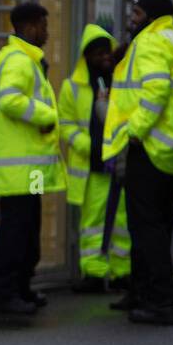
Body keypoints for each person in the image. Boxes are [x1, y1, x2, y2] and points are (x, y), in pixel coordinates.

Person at [102, 0, 173, 325]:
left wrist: (135, 130)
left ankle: (162, 301)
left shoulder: (150, 43)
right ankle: (142, 290)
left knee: (146, 224)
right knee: (159, 221)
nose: (132, 19)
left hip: (150, 146)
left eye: (137, 13)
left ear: (151, 15)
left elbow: (156, 91)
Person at [0, 2, 66, 315]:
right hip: (20, 167)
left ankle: (21, 287)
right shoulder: (19, 61)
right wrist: (46, 115)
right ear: (29, 27)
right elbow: (9, 99)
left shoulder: (28, 61)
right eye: (43, 25)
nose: (47, 32)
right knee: (16, 230)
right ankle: (4, 293)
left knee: (28, 230)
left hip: (32, 167)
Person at [58, 25, 130, 293]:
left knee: (123, 221)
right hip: (93, 166)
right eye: (97, 53)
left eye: (106, 52)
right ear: (85, 56)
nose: (103, 57)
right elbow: (65, 123)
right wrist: (88, 146)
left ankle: (123, 272)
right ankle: (94, 274)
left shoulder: (120, 81)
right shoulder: (72, 87)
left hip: (119, 162)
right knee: (93, 223)